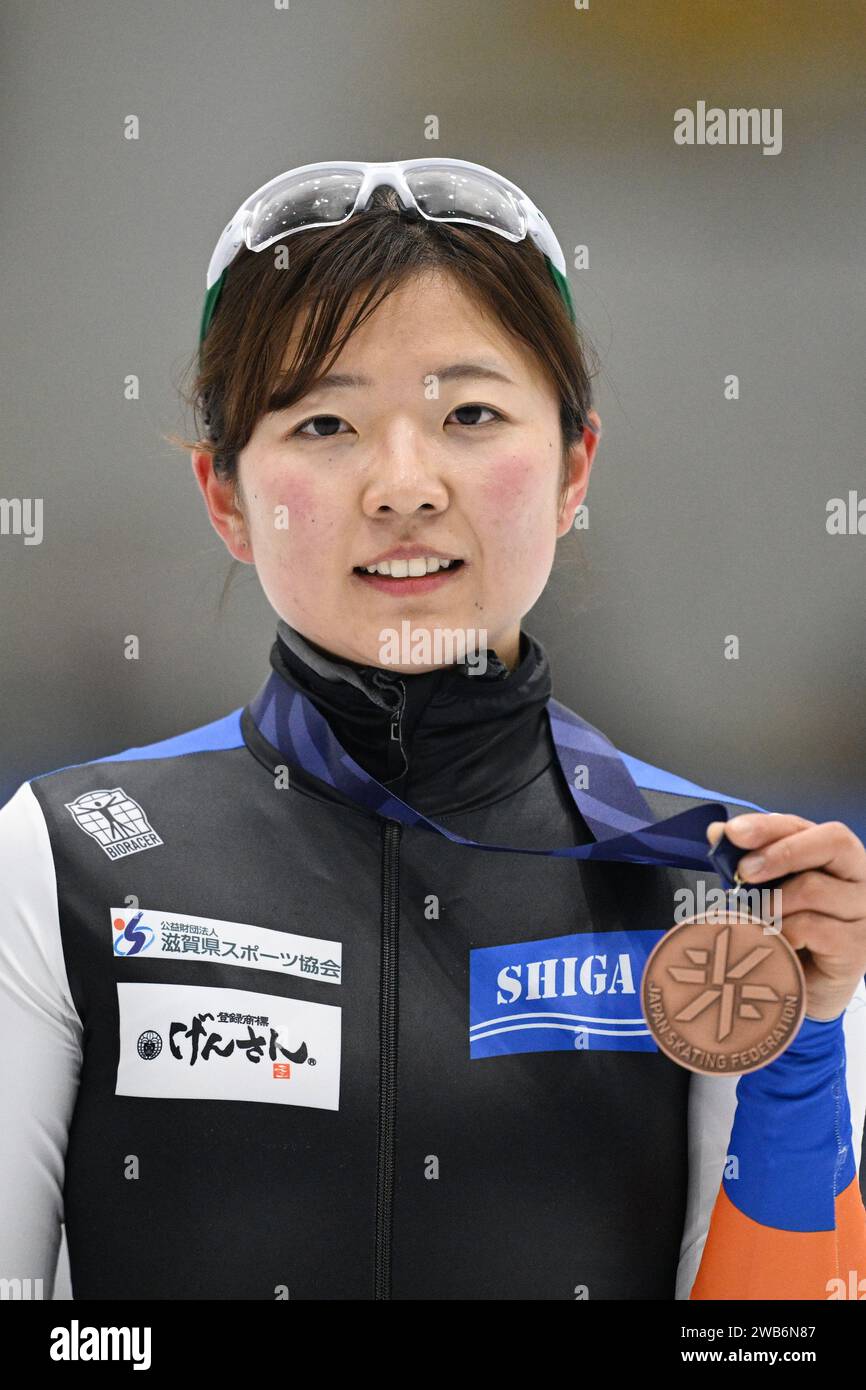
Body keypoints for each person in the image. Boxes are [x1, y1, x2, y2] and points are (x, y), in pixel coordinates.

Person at [1, 158, 864, 1302]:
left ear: (570, 469)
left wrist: (799, 1046)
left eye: (468, 412)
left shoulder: (702, 877)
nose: (402, 484)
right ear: (224, 497)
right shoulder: (63, 859)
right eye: (323, 420)